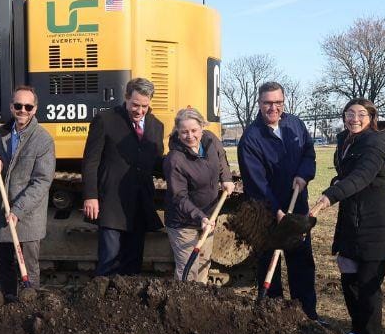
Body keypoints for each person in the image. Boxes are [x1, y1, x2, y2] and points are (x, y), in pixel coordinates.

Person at [309, 99, 385, 334]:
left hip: (376, 223)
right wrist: (336, 182)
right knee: (349, 277)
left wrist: (330, 196)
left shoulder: (377, 143)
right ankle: (357, 330)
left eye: (361, 114)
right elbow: (346, 175)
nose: (354, 118)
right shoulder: (346, 140)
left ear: (372, 118)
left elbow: (362, 176)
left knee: (368, 283)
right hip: (351, 220)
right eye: (349, 113)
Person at [237, 82, 320, 321]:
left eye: (278, 102)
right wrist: (277, 211)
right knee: (269, 262)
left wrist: (304, 174)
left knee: (302, 262)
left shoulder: (295, 124)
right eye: (267, 103)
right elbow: (257, 184)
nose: (273, 107)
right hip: (268, 212)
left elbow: (308, 153)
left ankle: (306, 314)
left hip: (298, 208)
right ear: (259, 103)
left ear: (284, 102)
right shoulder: (250, 139)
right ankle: (272, 315)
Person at [82, 78, 165, 276]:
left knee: (133, 262)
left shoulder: (156, 126)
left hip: (139, 203)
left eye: (144, 106)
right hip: (111, 204)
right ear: (126, 98)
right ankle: (103, 302)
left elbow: (156, 162)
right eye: (135, 105)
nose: (140, 111)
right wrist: (90, 196)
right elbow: (90, 161)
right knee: (109, 261)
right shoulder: (105, 120)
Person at [0, 86, 56, 301]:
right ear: (11, 106)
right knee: (4, 266)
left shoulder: (43, 140)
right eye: (18, 105)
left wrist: (18, 210)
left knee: (29, 271)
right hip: (1, 213)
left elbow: (42, 181)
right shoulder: (1, 133)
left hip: (27, 218)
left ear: (34, 109)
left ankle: (29, 310)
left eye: (28, 106)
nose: (22, 110)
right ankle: (8, 308)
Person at [163, 108, 234, 283]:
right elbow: (179, 197)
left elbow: (221, 156)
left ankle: (198, 305)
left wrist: (226, 178)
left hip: (208, 216)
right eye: (184, 132)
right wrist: (200, 217)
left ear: (202, 127)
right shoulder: (175, 160)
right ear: (177, 132)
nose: (190, 136)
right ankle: (182, 304)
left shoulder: (210, 139)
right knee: (188, 268)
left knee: (203, 263)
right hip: (183, 221)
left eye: (194, 130)